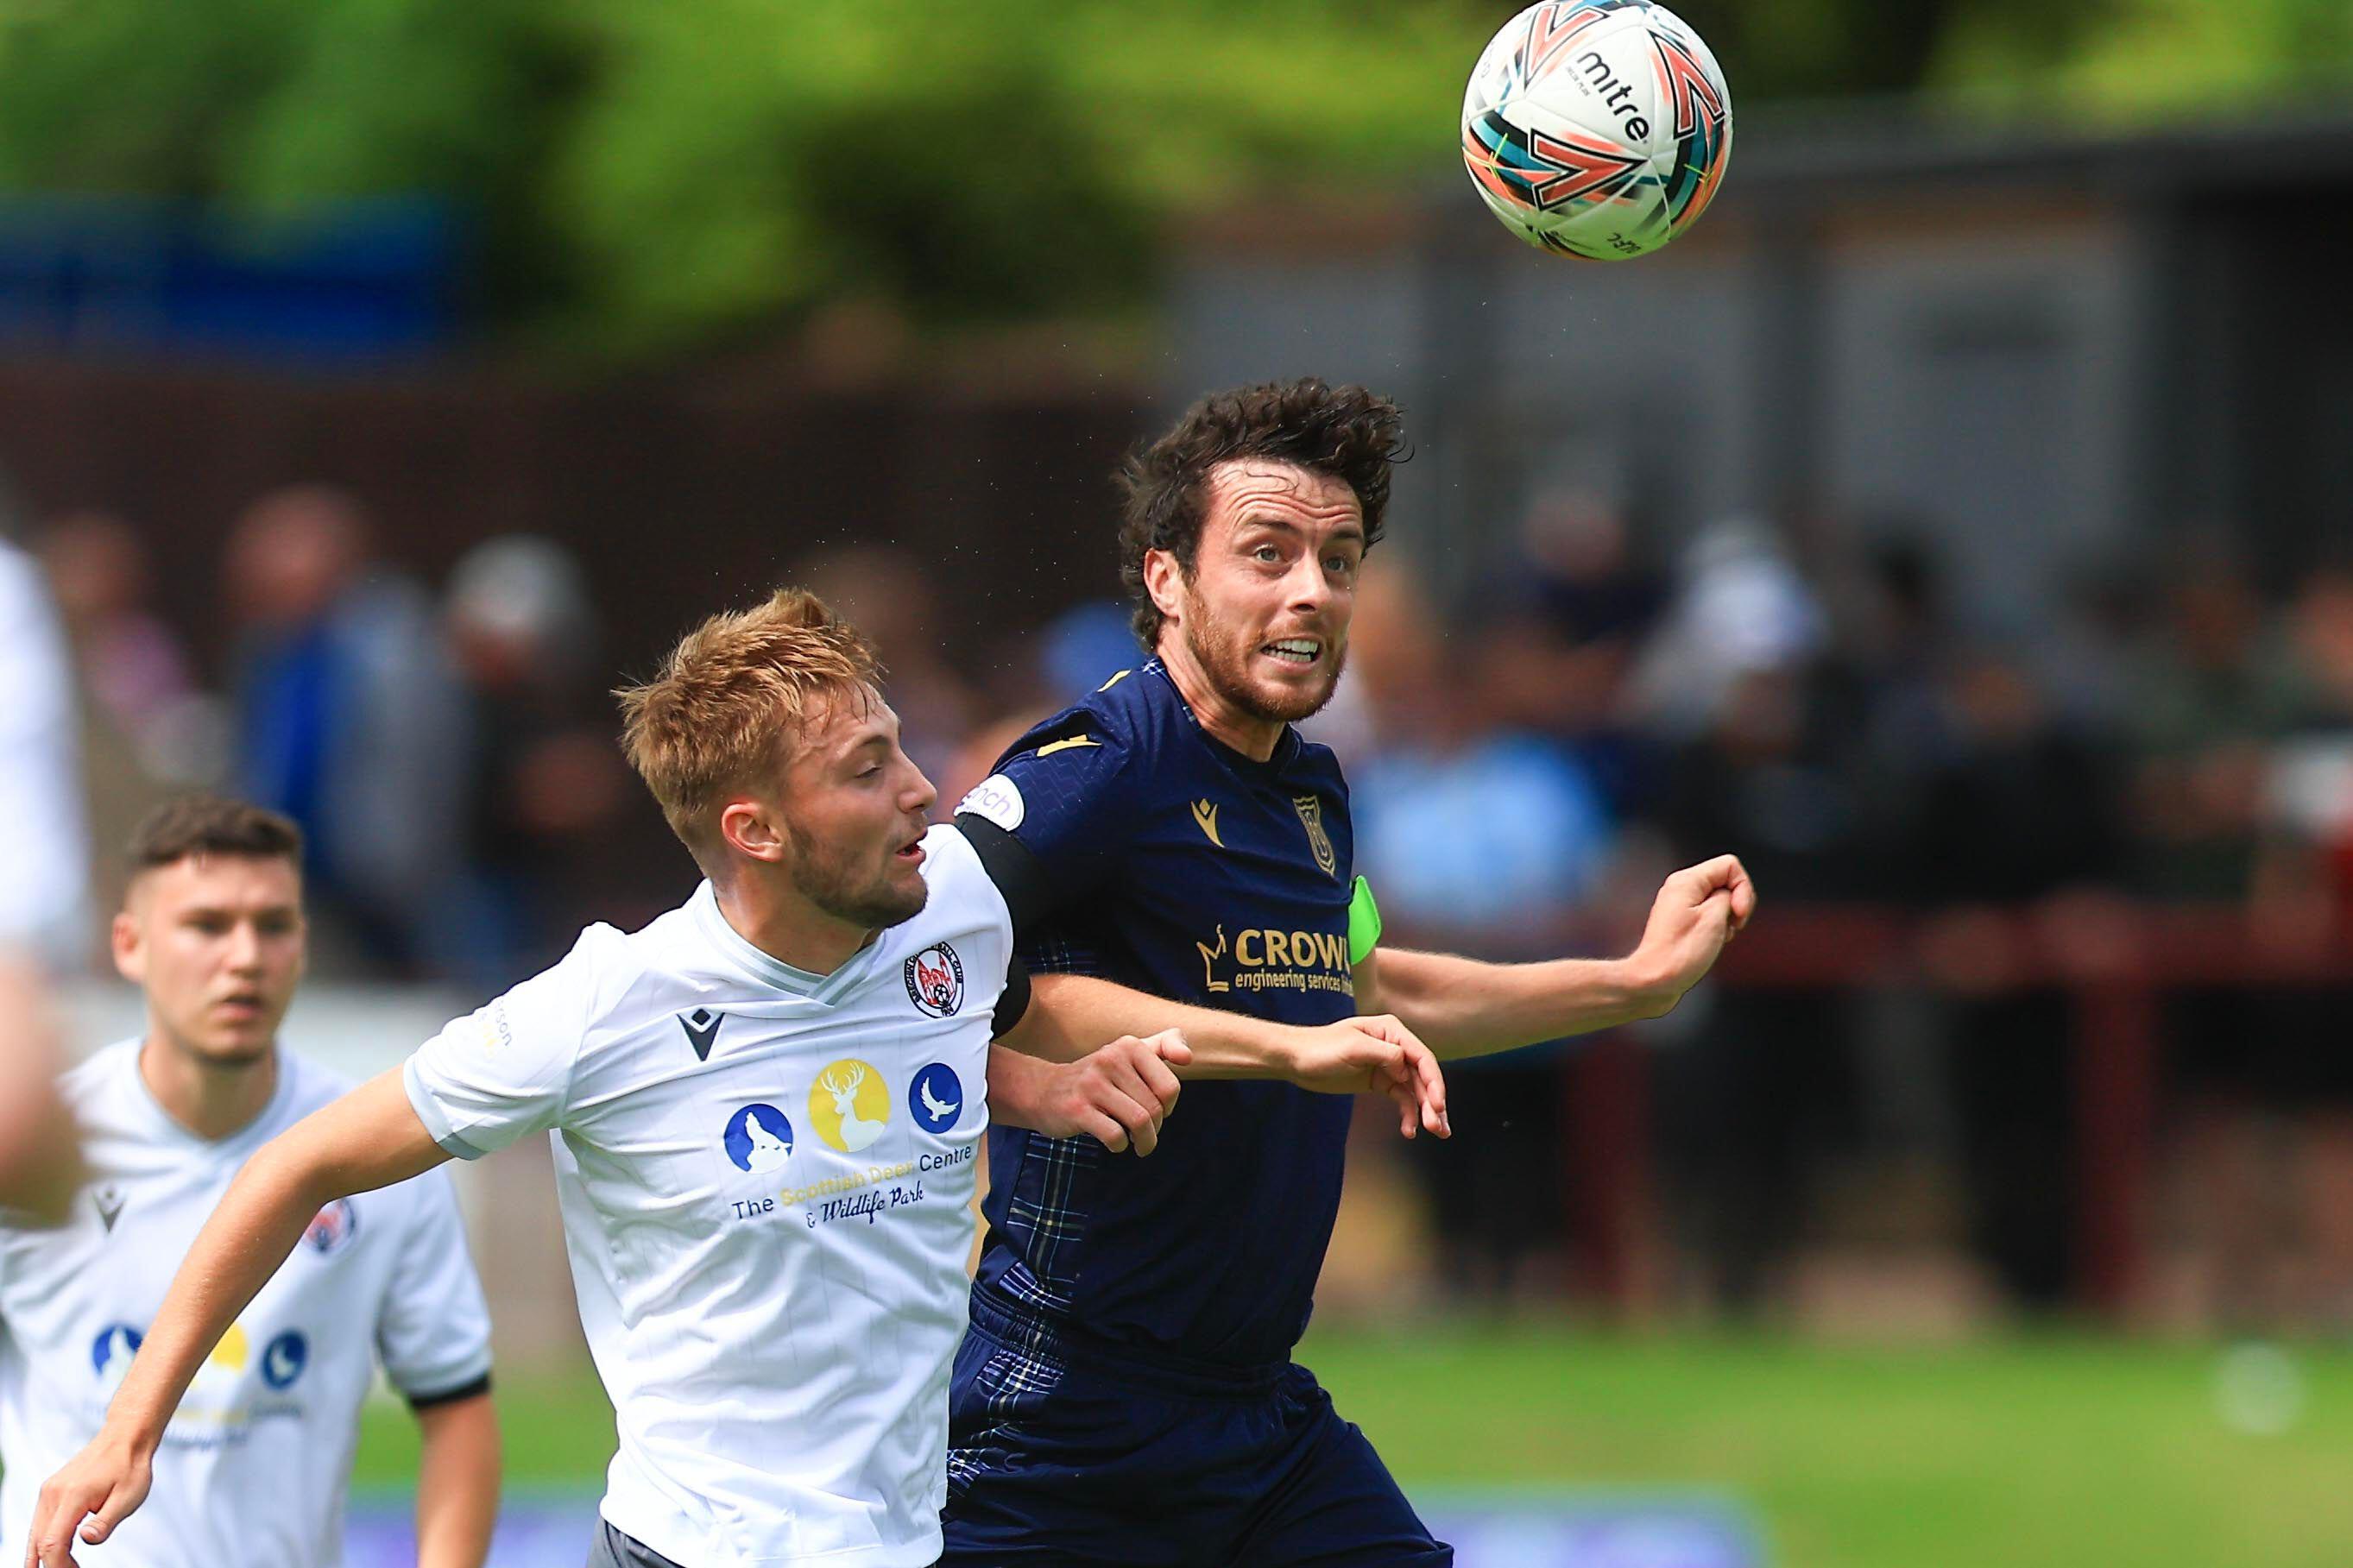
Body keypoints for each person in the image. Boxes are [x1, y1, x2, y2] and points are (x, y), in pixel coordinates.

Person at [27, 589, 1446, 1568]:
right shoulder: (606, 1010)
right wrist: (128, 1431)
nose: (920, 793)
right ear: (757, 829)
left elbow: (962, 1017)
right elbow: (296, 1161)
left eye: (900, 746)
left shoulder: (944, 911)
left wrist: (1042, 1083)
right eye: (868, 769)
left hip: (906, 1539)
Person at [943, 378, 1754, 1566]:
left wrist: (1629, 982)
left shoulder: (1309, 789)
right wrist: (1283, 1047)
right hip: (1060, 1423)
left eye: (1337, 557)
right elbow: (934, 963)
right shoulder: (1099, 765)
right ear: (1165, 580)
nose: (1309, 591)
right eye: (1265, 554)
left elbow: (1364, 995)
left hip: (1255, 1419)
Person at [2, 796, 499, 1568]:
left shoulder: (379, 1152)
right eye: (206, 925)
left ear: (301, 944)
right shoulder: (36, 1149)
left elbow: (457, 1406)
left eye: (272, 925)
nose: (243, 956)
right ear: (129, 945)